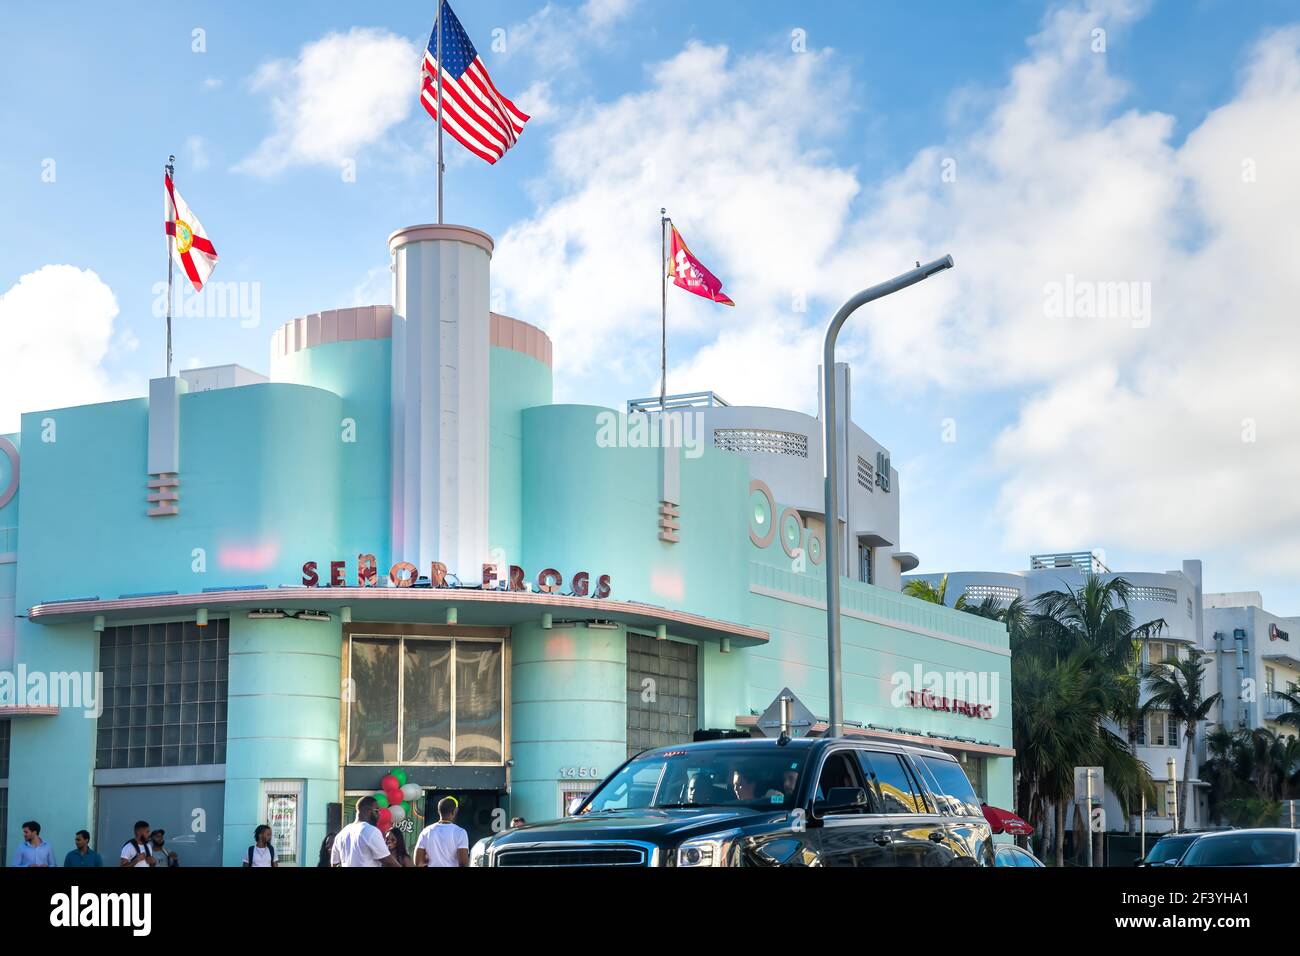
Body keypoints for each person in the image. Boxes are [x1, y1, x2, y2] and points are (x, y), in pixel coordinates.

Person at [331, 797, 399, 867]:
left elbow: (334, 863)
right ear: (367, 810)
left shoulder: (342, 833)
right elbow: (388, 860)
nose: (379, 814)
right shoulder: (371, 831)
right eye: (377, 811)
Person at [414, 796, 470, 868]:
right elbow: (463, 863)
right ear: (455, 811)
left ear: (438, 811)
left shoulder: (426, 831)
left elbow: (418, 862)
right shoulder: (460, 832)